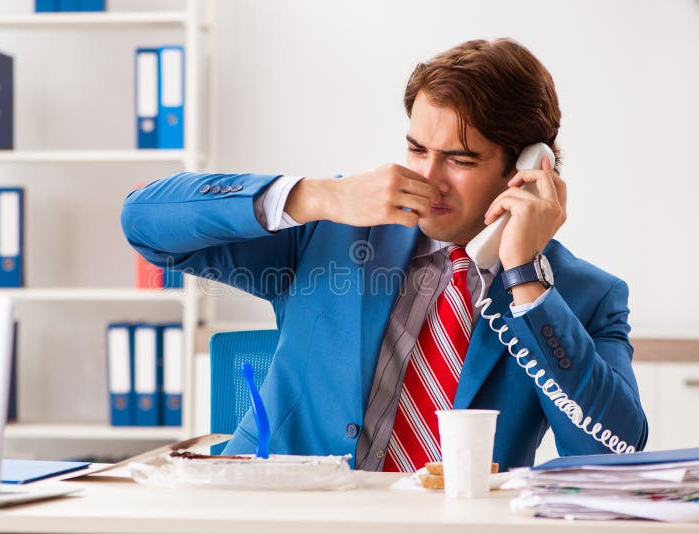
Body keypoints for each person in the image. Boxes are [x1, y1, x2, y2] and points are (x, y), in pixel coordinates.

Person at [121, 38, 647, 471]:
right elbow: (145, 224)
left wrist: (527, 277)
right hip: (281, 513)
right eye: (418, 149)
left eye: (460, 159)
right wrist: (317, 196)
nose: (429, 178)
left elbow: (613, 451)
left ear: (529, 169)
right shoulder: (336, 226)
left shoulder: (583, 294)